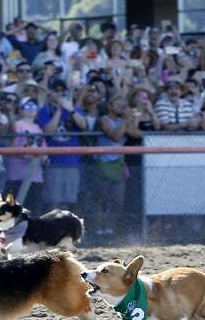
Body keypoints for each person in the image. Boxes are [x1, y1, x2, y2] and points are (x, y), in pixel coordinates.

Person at [93, 94, 141, 236]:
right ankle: (98, 230)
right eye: (118, 104)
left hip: (118, 164)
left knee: (117, 201)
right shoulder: (103, 120)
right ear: (110, 105)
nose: (122, 107)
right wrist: (126, 121)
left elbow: (138, 134)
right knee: (101, 200)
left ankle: (110, 230)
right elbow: (116, 136)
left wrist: (132, 119)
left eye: (123, 105)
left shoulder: (122, 121)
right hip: (102, 164)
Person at [36, 84, 87, 210]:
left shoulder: (75, 110)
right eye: (56, 90)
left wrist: (70, 110)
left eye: (62, 91)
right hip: (53, 164)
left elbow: (83, 126)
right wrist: (59, 110)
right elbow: (49, 130)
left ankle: (65, 228)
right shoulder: (45, 111)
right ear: (50, 93)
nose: (59, 93)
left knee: (68, 201)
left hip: (72, 163)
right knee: (53, 201)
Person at [3, 98, 46, 211]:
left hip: (35, 176)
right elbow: (12, 147)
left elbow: (44, 151)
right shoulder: (17, 125)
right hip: (17, 175)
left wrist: (41, 156)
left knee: (33, 210)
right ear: (21, 110)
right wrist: (27, 151)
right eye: (27, 107)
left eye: (33, 107)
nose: (31, 110)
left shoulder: (38, 128)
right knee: (14, 210)